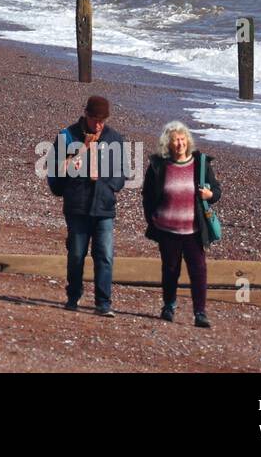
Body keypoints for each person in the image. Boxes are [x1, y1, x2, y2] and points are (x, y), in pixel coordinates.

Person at [45, 96, 128, 317]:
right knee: (76, 254)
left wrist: (108, 184)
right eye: (94, 119)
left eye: (102, 120)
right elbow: (53, 170)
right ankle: (73, 295)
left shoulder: (115, 139)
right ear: (86, 115)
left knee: (104, 255)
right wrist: (78, 157)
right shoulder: (67, 136)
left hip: (104, 207)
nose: (98, 125)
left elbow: (122, 171)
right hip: (77, 206)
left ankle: (103, 302)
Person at [142, 121, 222, 329]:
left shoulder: (201, 164)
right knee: (170, 269)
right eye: (175, 140)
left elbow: (217, 191)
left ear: (188, 140)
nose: (179, 144)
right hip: (167, 229)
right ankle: (168, 306)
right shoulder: (159, 166)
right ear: (167, 144)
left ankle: (200, 313)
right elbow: (147, 196)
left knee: (199, 270)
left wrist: (209, 194)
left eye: (182, 139)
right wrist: (151, 219)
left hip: (194, 230)